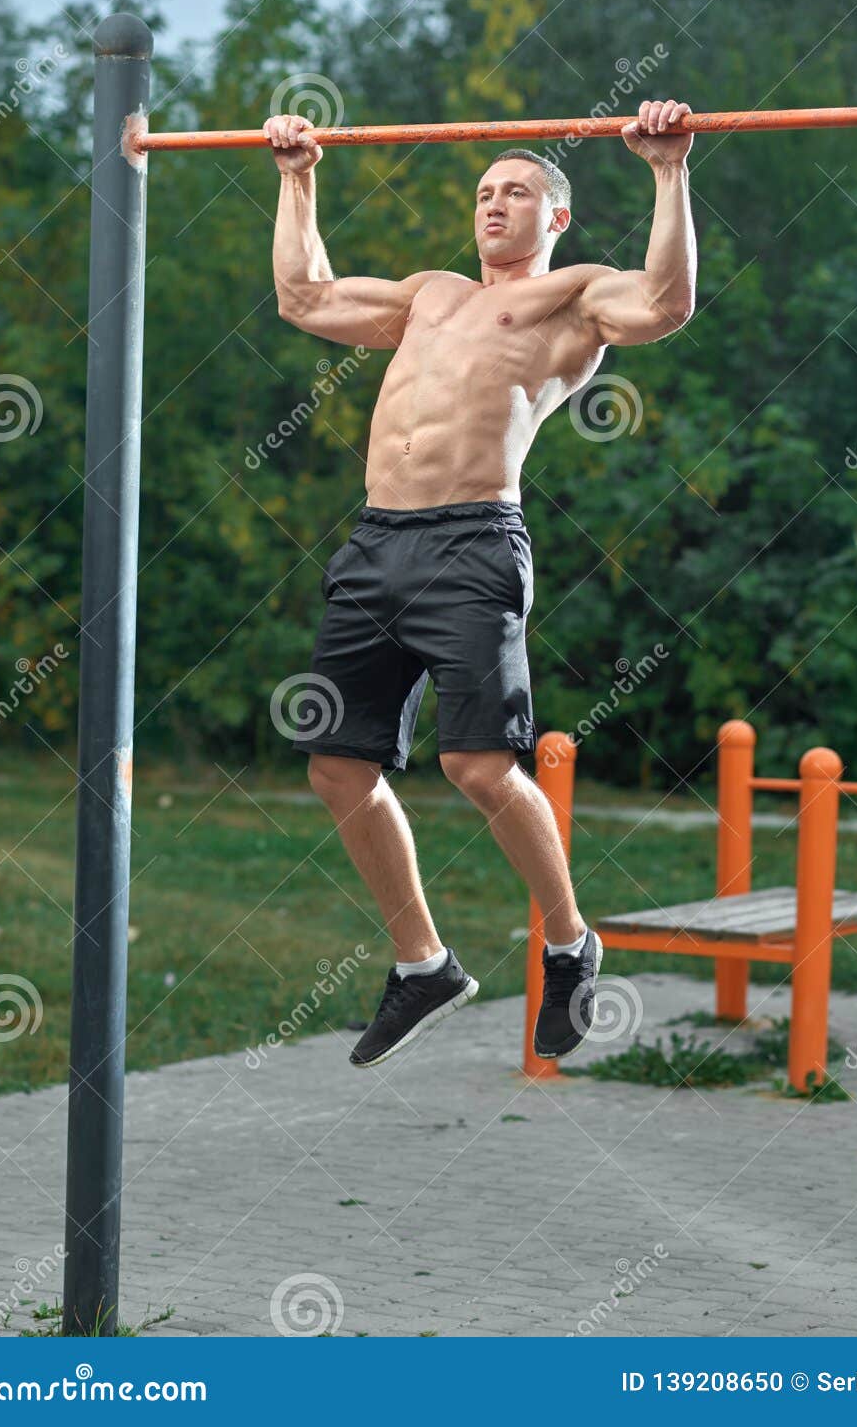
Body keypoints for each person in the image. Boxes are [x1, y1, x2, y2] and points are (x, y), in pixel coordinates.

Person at [264, 100, 697, 1069]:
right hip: (376, 545)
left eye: (517, 192)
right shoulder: (430, 294)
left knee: (477, 765)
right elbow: (307, 296)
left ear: (557, 219)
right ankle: (422, 962)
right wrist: (298, 177)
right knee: (335, 765)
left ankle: (569, 940)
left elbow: (666, 304)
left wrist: (668, 171)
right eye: (484, 191)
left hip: (472, 545)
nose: (494, 204)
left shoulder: (573, 298)